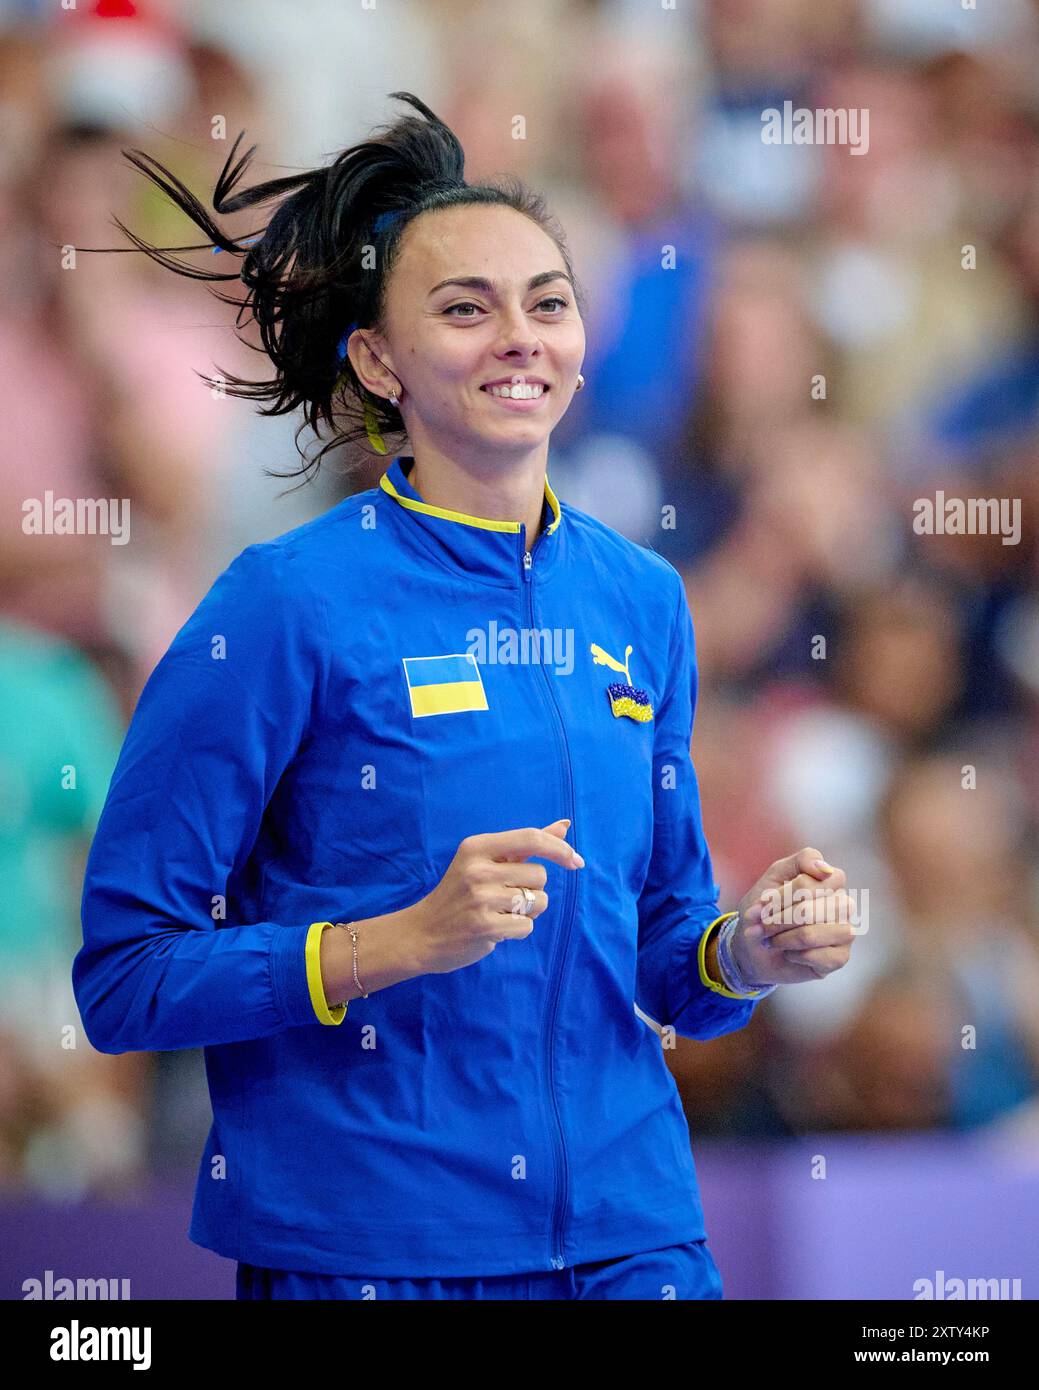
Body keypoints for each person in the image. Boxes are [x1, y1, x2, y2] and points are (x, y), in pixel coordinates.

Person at [72, 93, 856, 1300]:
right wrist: (396, 943)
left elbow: (664, 956)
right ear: (378, 358)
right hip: (375, 1251)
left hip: (631, 1234)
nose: (518, 337)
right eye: (463, 307)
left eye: (547, 303)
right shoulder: (286, 603)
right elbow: (126, 976)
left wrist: (745, 952)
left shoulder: (641, 599)